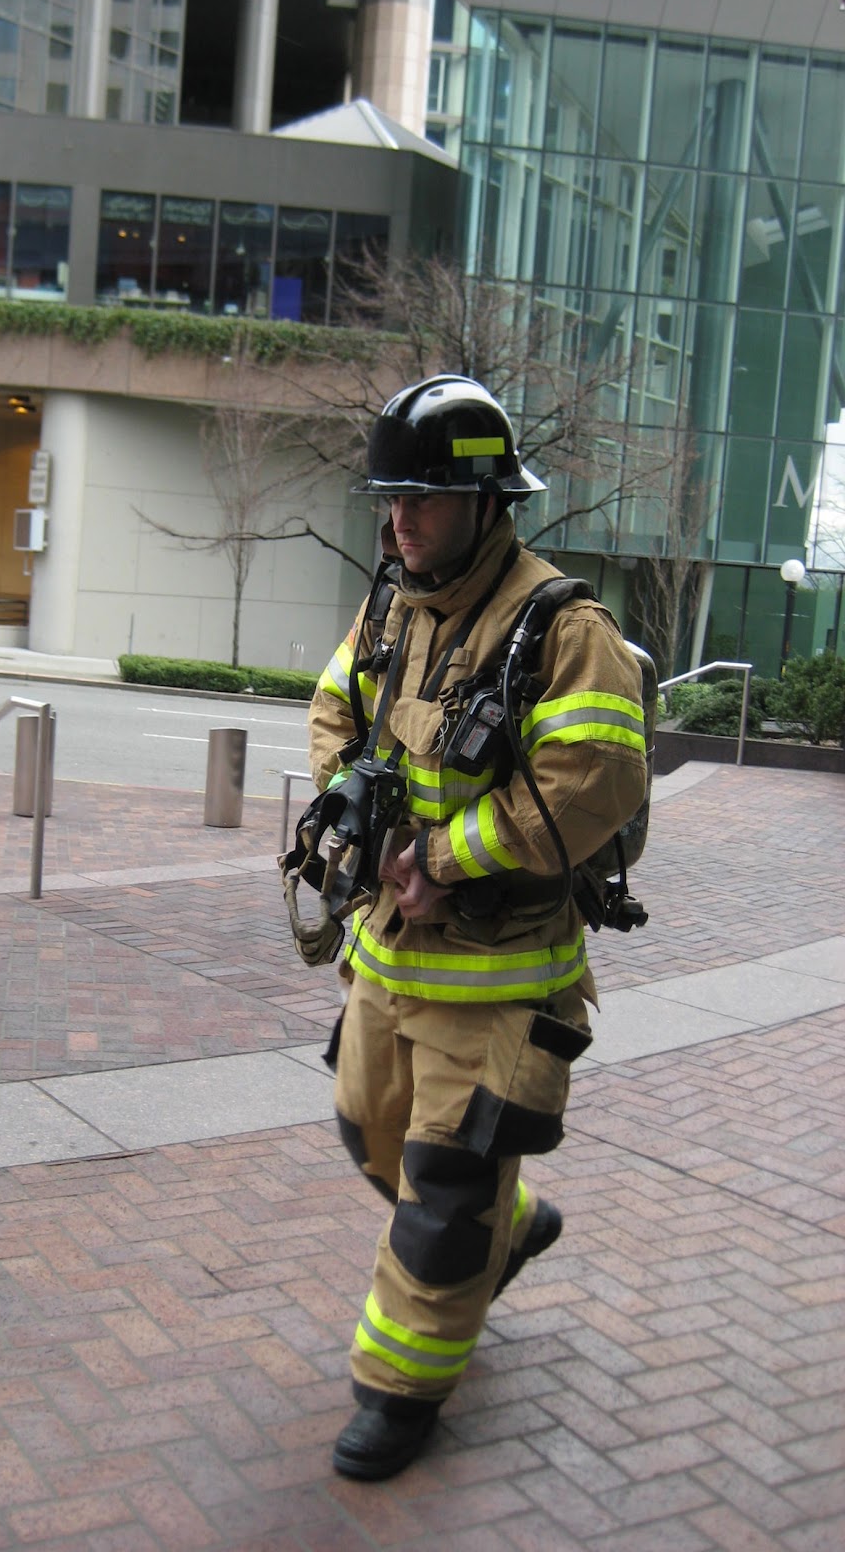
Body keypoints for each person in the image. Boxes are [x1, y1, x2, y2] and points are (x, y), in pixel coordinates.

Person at [305, 375, 649, 1481]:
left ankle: (401, 1390)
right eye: (390, 498)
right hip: (387, 952)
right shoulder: (392, 603)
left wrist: (447, 861)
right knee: (371, 1132)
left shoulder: (563, 627)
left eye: (423, 499)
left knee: (444, 1193)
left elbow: (590, 779)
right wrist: (360, 834)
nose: (398, 520)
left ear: (490, 501)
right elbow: (334, 710)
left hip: (499, 974)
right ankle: (515, 1220)